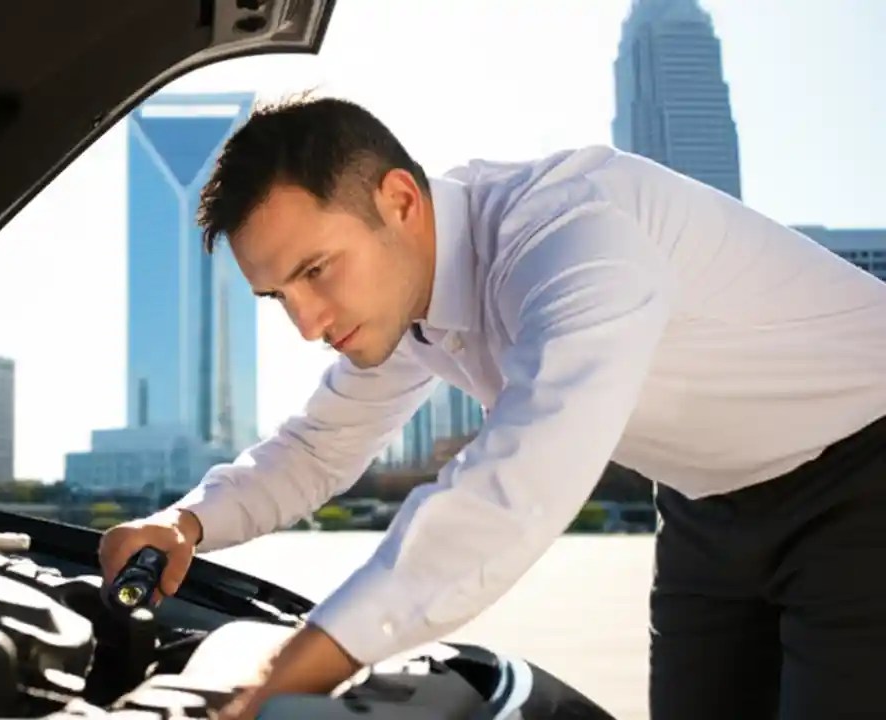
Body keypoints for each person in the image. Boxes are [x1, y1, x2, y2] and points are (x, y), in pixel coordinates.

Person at [98, 94, 886, 720]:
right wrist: (184, 524)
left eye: (316, 270)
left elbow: (517, 489)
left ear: (400, 200)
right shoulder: (404, 304)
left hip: (864, 476)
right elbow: (316, 449)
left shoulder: (575, 233)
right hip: (704, 510)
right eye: (279, 297)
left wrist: (289, 673)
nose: (306, 322)